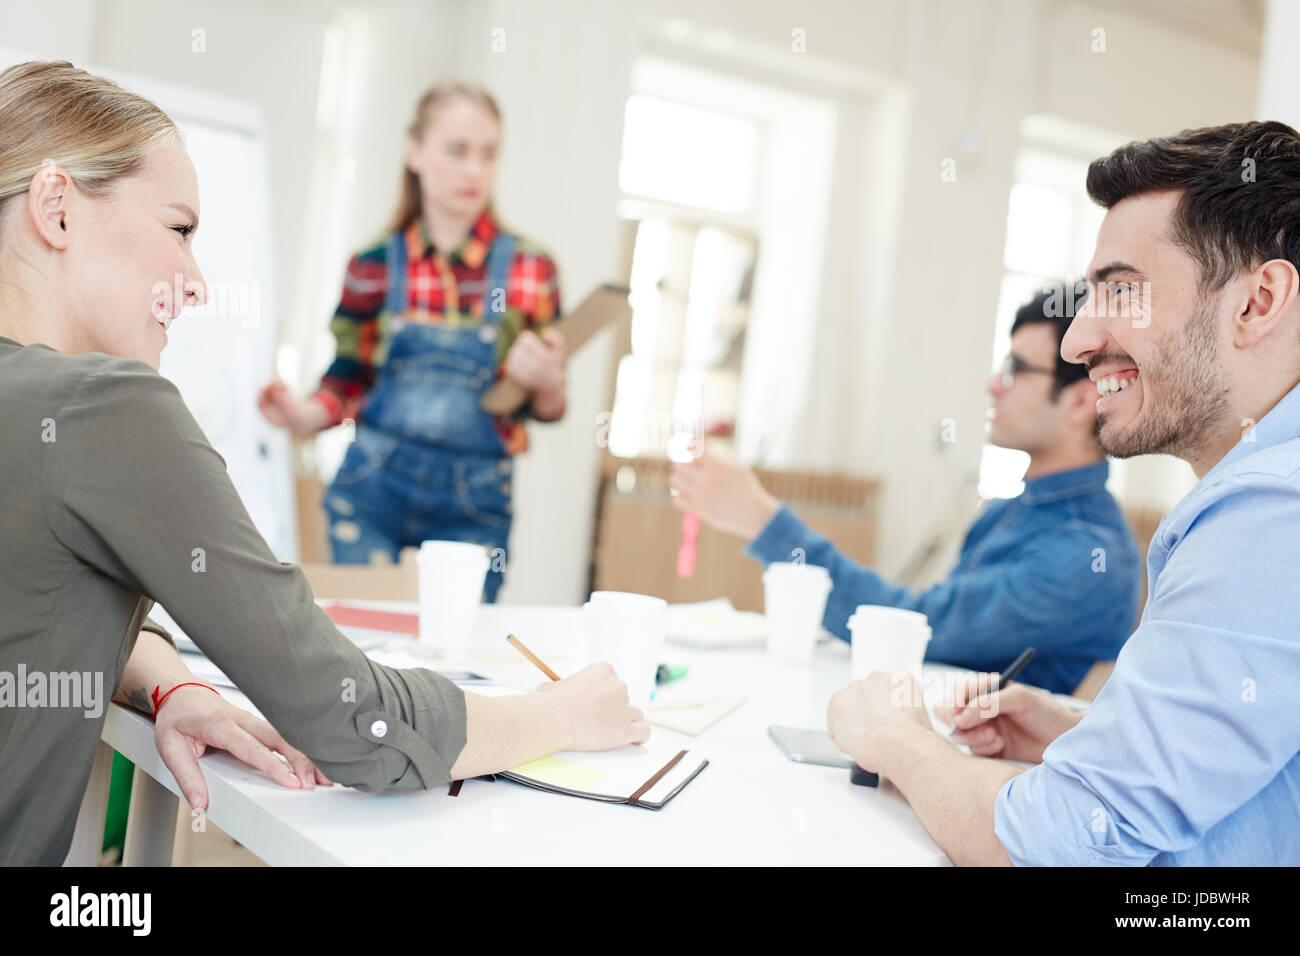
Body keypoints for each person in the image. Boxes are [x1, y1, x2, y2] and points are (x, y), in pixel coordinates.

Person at [0, 60, 646, 867]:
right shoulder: (107, 408)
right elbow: (354, 720)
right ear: (56, 208)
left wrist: (172, 679)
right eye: (179, 229)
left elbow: (33, 601)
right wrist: (560, 715)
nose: (196, 284)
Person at [828, 120, 1300, 866]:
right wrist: (1087, 732)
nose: (1080, 341)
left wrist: (897, 741)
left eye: (1120, 291)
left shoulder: (1272, 514)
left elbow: (1063, 846)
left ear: (1256, 302)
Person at [669, 288, 1141, 695]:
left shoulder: (1084, 553)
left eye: (1015, 370)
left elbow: (916, 628)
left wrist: (762, 520)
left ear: (1081, 401)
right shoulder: (1010, 512)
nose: (994, 385)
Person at [258, 82, 566, 602]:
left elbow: (549, 408)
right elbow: (348, 378)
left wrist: (548, 382)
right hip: (372, 490)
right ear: (415, 152)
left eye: (489, 154)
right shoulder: (372, 265)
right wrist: (301, 417)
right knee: (365, 651)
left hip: (476, 504)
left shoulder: (532, 270)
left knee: (446, 659)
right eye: (458, 150)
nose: (475, 170)